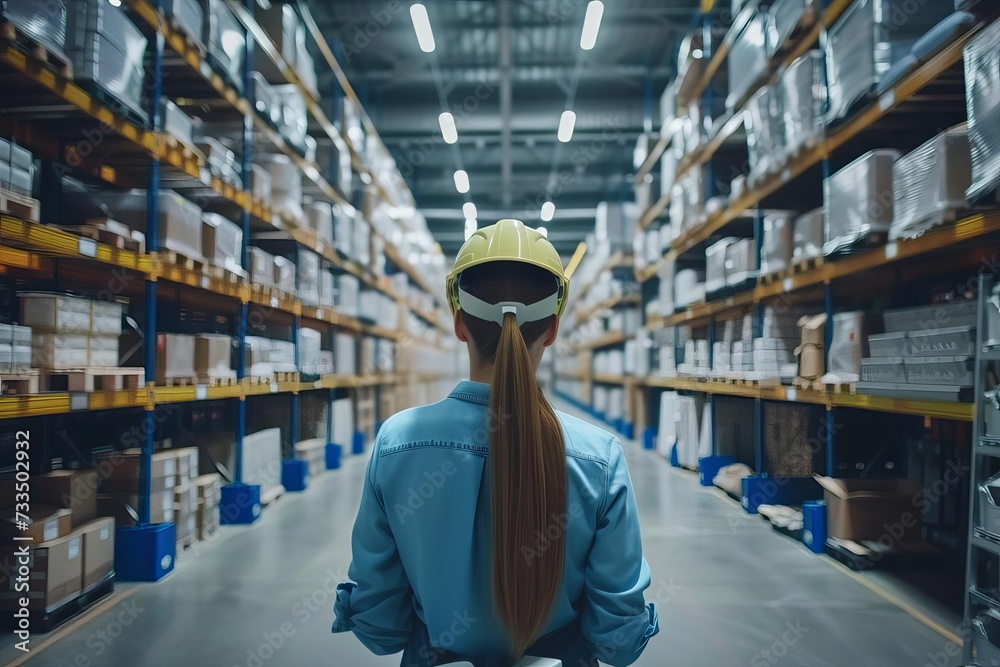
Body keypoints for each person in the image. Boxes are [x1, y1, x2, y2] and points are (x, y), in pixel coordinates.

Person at [333, 219, 658, 666]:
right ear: (552, 329)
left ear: (459, 324)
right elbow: (617, 641)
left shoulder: (397, 444)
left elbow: (379, 628)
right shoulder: (598, 458)